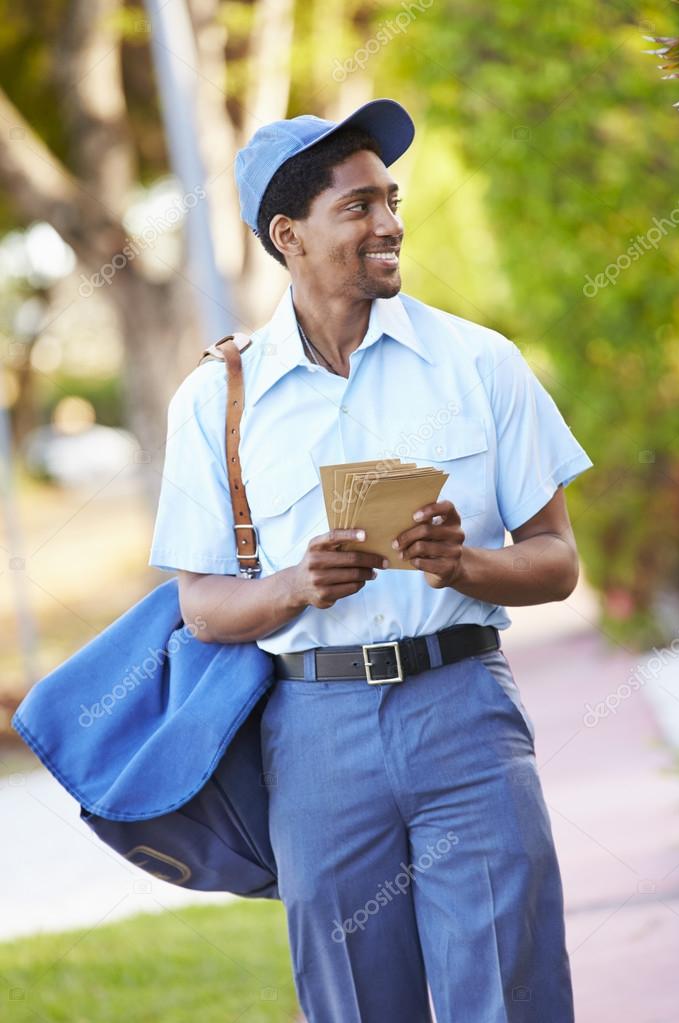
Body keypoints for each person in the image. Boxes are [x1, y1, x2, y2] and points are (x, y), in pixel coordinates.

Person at [148, 98, 593, 1023]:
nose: (390, 223)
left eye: (390, 200)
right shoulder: (214, 403)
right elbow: (201, 606)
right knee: (355, 1003)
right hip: (315, 733)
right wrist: (293, 587)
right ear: (289, 235)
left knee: (510, 987)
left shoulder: (480, 363)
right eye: (358, 207)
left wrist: (463, 565)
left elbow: (556, 562)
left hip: (466, 713)